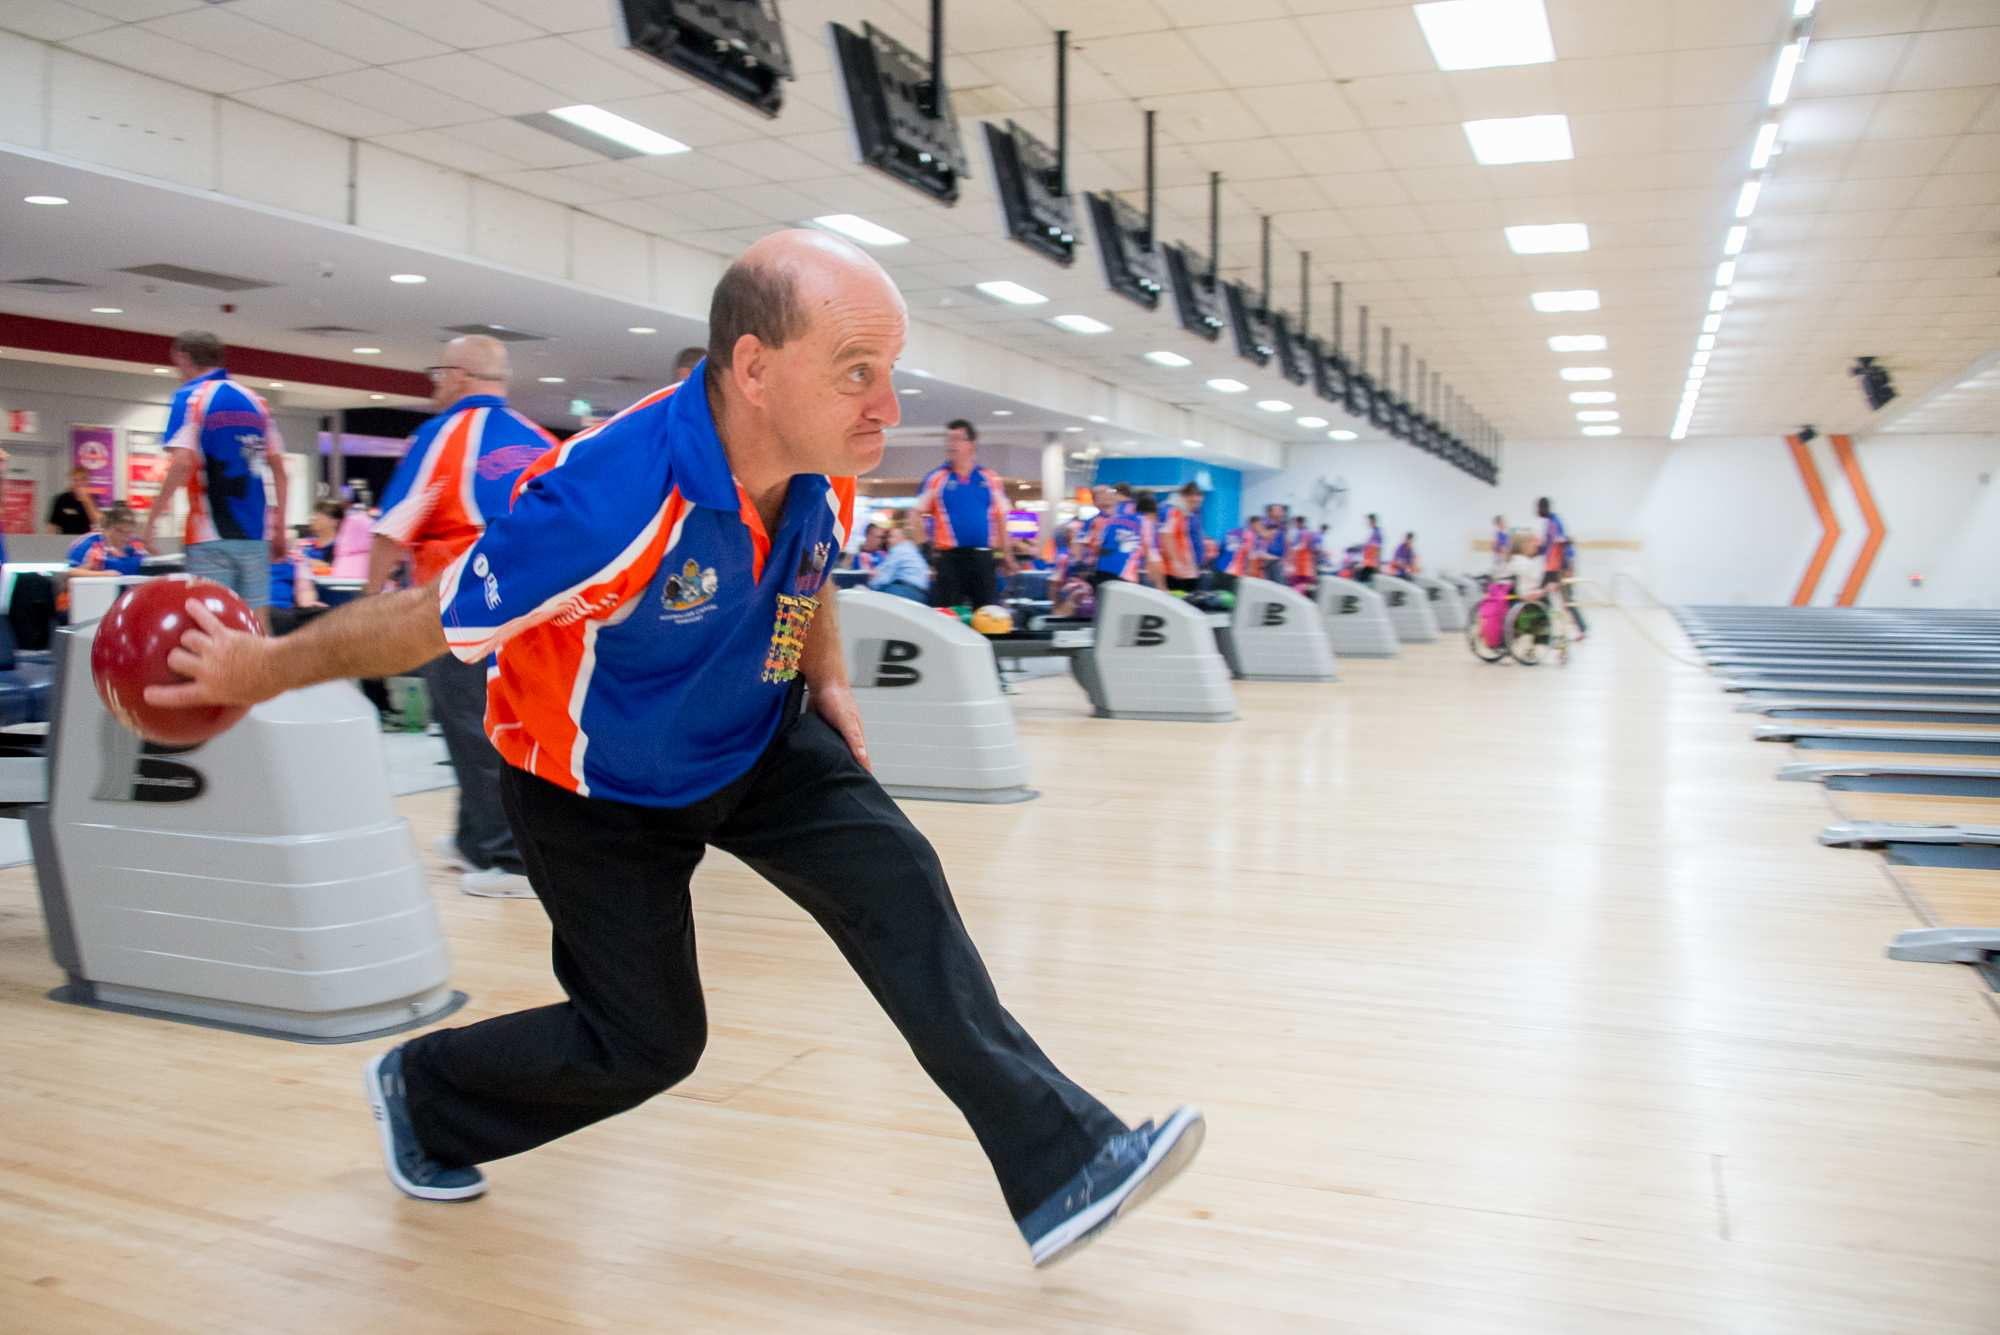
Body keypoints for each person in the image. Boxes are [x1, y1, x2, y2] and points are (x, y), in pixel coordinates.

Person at [148, 229, 1201, 1268]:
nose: (886, 408)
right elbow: (428, 619)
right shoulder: (605, 499)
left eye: (888, 372)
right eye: (855, 374)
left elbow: (809, 560)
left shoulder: (821, 454)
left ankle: (1068, 1159)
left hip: (754, 737)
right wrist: (255, 668)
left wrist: (822, 672)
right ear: (754, 367)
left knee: (902, 894)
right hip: (593, 787)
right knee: (645, 1045)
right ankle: (427, 1095)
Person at [370, 335, 559, 899]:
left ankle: (506, 859)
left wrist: (368, 600)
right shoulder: (541, 439)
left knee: (474, 730)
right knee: (506, 729)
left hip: (462, 605)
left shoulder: (441, 435)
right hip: (536, 611)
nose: (434, 384)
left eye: (438, 373)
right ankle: (474, 839)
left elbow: (393, 525)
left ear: (458, 375)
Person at [142, 330, 289, 626]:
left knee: (212, 623)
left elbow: (182, 464)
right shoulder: (256, 401)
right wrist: (280, 529)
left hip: (208, 534)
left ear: (183, 358)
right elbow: (281, 472)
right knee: (255, 622)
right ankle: (261, 673)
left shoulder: (189, 398)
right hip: (255, 534)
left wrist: (152, 519)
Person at [917, 420, 1012, 608]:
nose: (951, 444)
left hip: (983, 558)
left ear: (972, 445)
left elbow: (1001, 517)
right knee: (947, 616)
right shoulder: (937, 478)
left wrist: (1007, 554)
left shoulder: (990, 478)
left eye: (957, 439)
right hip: (949, 560)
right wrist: (926, 551)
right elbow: (915, 513)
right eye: (949, 439)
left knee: (987, 614)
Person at [1090, 491, 1165, 589]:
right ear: (1153, 512)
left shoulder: (1113, 520)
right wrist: (1162, 587)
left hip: (1102, 574)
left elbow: (1097, 547)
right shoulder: (1146, 523)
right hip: (1125, 577)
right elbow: (1153, 559)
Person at [1536, 496, 1586, 640]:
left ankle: (1580, 629)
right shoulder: (1549, 523)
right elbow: (1546, 546)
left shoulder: (1555, 522)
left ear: (1543, 508)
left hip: (1559, 566)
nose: (1537, 511)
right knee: (1545, 595)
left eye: (1538, 508)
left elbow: (1563, 543)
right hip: (1552, 566)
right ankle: (1550, 625)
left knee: (1565, 599)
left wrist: (1567, 566)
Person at [67, 503, 147, 575]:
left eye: (129, 532)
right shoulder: (89, 543)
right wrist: (103, 575)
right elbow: (70, 573)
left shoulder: (135, 544)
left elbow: (148, 565)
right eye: (120, 531)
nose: (126, 536)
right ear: (108, 528)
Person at [1159, 481, 1209, 594]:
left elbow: (1188, 541)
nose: (1195, 505)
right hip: (1175, 572)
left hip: (1187, 570)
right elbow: (1166, 537)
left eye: (1198, 502)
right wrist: (1176, 563)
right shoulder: (1171, 510)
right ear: (1185, 497)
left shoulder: (1188, 514)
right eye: (1193, 502)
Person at [866, 524, 930, 603]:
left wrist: (868, 587)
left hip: (905, 591)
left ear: (902, 538)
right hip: (922, 595)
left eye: (891, 537)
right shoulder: (911, 549)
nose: (888, 540)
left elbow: (884, 578)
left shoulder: (898, 549)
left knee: (873, 598)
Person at [46, 466, 103, 536]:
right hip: (65, 539)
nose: (79, 483)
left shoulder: (93, 499)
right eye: (75, 480)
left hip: (85, 540)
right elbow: (52, 525)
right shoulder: (61, 499)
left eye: (82, 480)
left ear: (87, 481)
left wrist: (87, 501)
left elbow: (98, 522)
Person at [1283, 514, 1321, 593]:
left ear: (1298, 522)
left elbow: (1298, 546)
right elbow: (1315, 548)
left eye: (1295, 523)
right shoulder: (1309, 533)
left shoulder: (1301, 533)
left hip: (1300, 567)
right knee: (1304, 586)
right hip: (1306, 566)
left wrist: (1291, 553)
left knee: (1297, 587)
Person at [1354, 512, 1383, 584]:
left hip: (1370, 564)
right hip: (1368, 563)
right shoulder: (1373, 532)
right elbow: (1367, 546)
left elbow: (1377, 549)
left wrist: (1377, 564)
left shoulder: (1377, 533)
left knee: (1361, 581)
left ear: (1372, 521)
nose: (1367, 523)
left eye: (1368, 521)